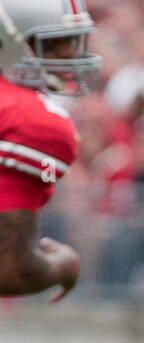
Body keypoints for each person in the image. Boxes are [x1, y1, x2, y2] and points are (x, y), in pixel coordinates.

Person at [0, 0, 99, 299]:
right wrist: (65, 266)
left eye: (72, 41)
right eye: (56, 43)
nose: (71, 53)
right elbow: (9, 271)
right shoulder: (32, 120)